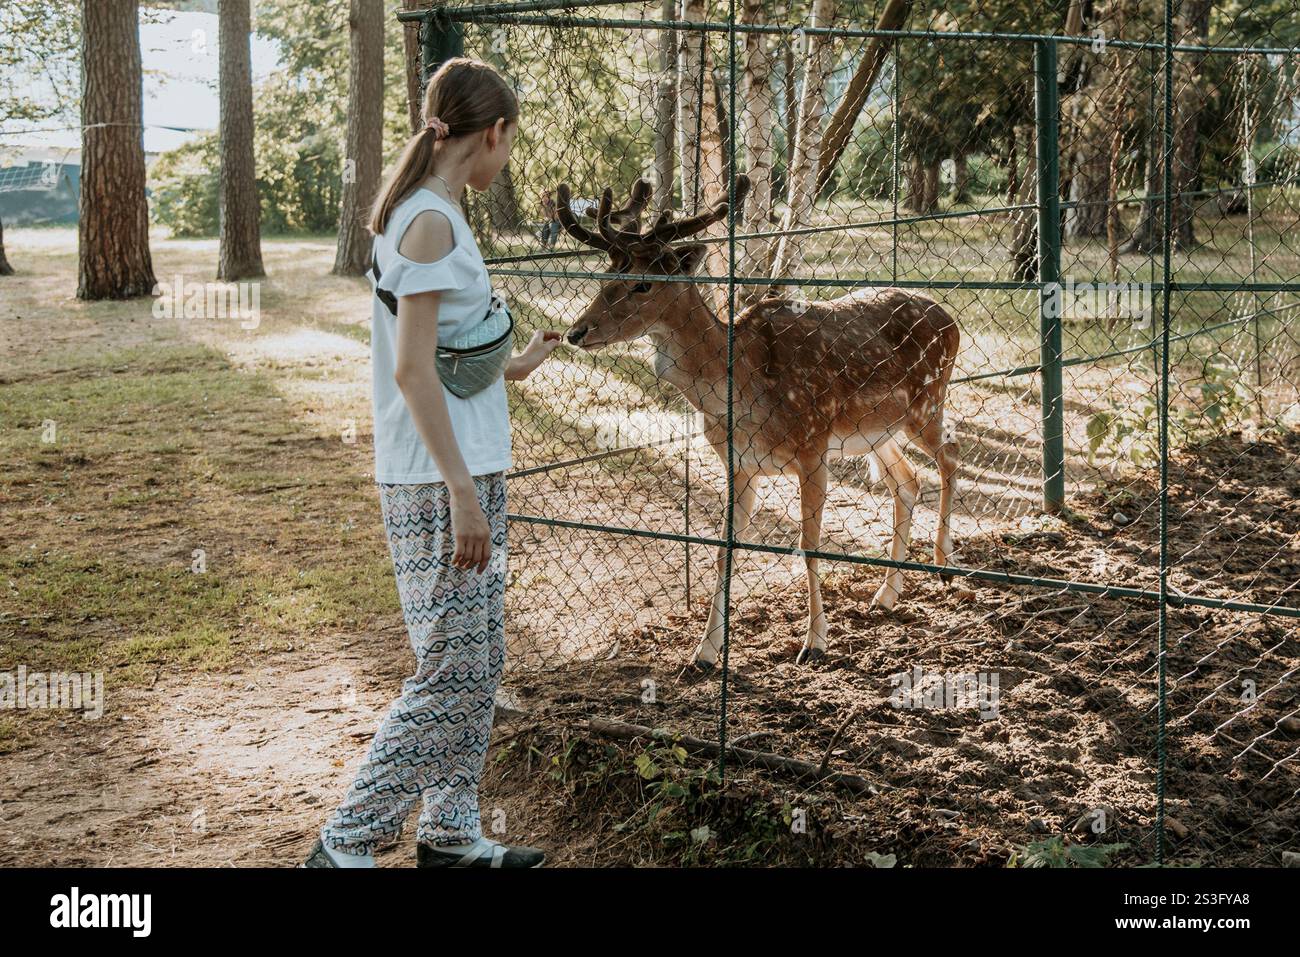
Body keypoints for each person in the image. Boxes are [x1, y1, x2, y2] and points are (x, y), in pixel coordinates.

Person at [303, 57, 564, 870]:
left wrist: (514, 364)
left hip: (464, 464)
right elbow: (410, 371)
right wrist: (461, 492)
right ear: (491, 133)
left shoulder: (438, 210)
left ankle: (451, 835)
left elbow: (444, 349)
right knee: (452, 668)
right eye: (509, 143)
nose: (507, 159)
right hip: (436, 477)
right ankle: (344, 842)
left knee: (479, 661)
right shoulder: (428, 221)